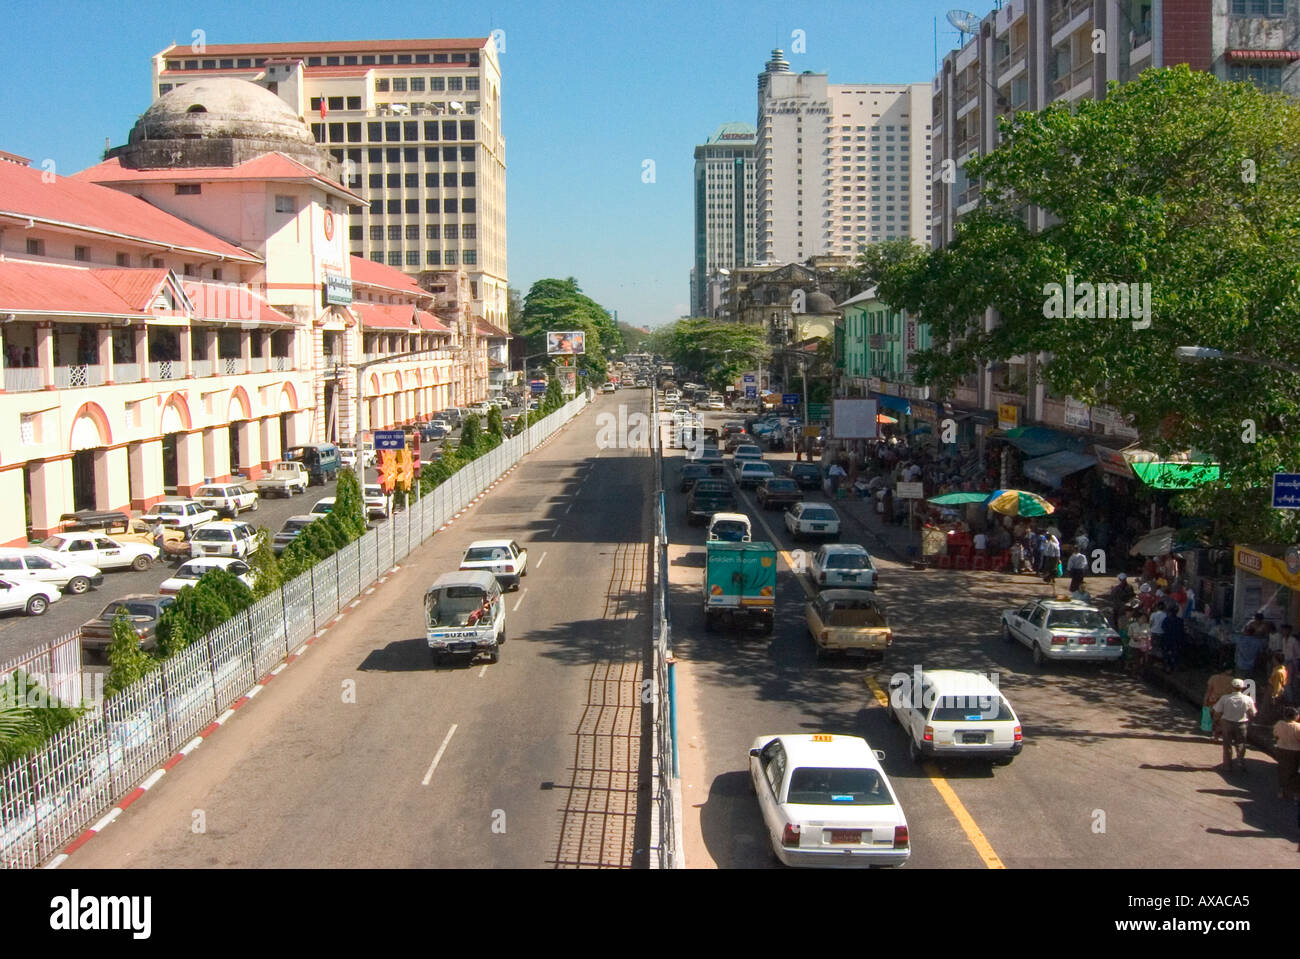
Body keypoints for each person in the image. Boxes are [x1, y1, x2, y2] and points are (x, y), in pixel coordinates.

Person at [1213, 678, 1257, 771]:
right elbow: (1253, 713)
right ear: (1242, 688)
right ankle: (1240, 762)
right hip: (1242, 724)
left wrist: (1216, 721)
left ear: (1232, 687)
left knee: (1227, 744)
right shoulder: (1247, 699)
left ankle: (1227, 765)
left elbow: (1217, 711)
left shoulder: (1225, 698)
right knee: (1241, 744)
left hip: (1226, 723)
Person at [1273, 707, 1300, 799]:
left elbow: (1275, 734)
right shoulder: (1298, 727)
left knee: (1282, 770)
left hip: (1281, 749)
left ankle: (1281, 790)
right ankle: (1295, 793)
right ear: (1296, 716)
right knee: (1294, 771)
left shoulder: (1279, 724)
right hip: (1295, 752)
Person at [1204, 668, 1236, 741]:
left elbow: (1209, 690)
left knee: (1215, 719)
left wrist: (1205, 701)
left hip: (1214, 701)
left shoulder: (1214, 677)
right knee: (1223, 720)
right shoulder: (1232, 680)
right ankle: (1222, 735)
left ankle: (1215, 735)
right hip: (1226, 702)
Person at [1161, 603, 1185, 672]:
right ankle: (1175, 666)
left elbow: (1163, 627)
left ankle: (1168, 666)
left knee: (1166, 653)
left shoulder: (1167, 619)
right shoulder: (1180, 621)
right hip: (1176, 640)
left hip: (1167, 639)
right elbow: (1182, 630)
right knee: (1176, 653)